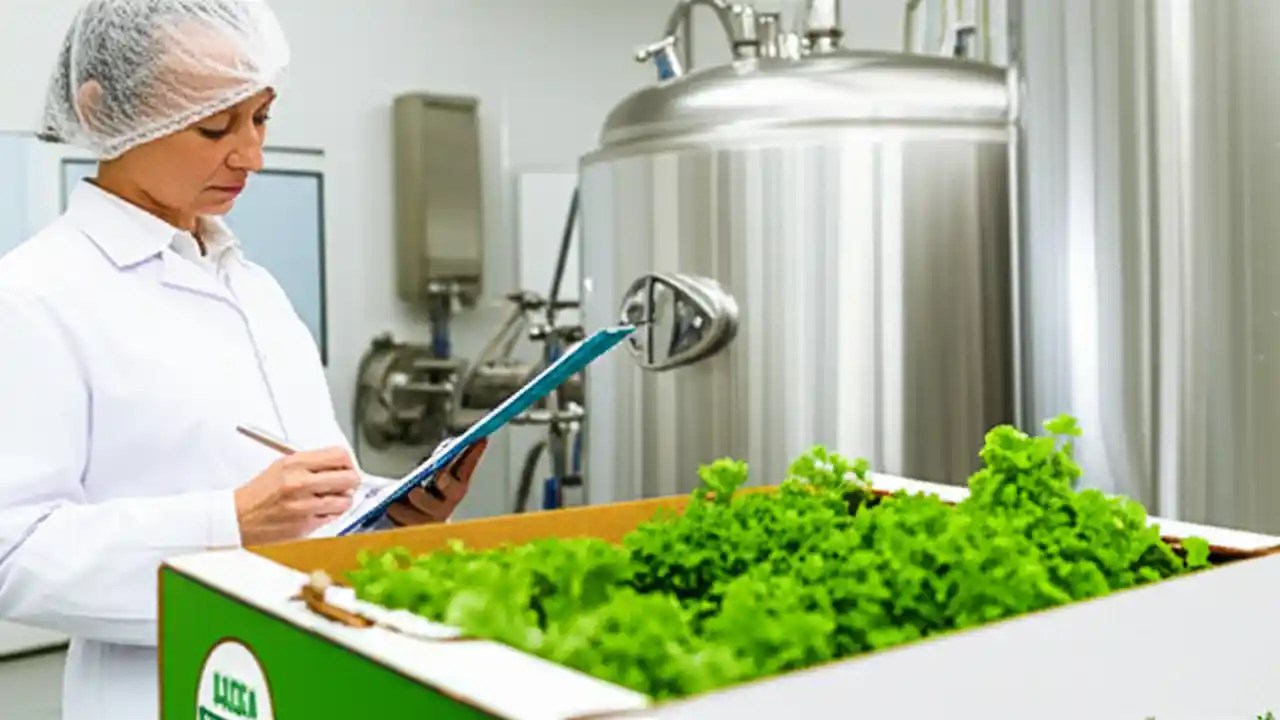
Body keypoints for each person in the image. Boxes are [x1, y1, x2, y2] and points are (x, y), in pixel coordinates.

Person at [0, 1, 486, 718]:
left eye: (260, 118)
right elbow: (13, 555)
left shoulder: (252, 287)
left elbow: (310, 497)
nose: (252, 155)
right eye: (214, 127)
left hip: (311, 671)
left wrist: (391, 513)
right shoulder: (35, 294)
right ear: (103, 113)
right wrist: (229, 522)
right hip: (161, 691)